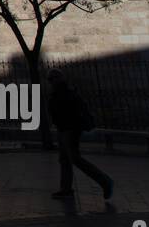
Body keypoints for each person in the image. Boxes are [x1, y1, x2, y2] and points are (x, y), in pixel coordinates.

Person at [47, 68, 113, 201]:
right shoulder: (62, 93)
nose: (51, 82)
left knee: (75, 159)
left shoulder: (64, 93)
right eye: (51, 79)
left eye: (53, 79)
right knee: (65, 160)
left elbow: (66, 112)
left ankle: (104, 181)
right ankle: (66, 189)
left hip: (69, 130)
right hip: (64, 129)